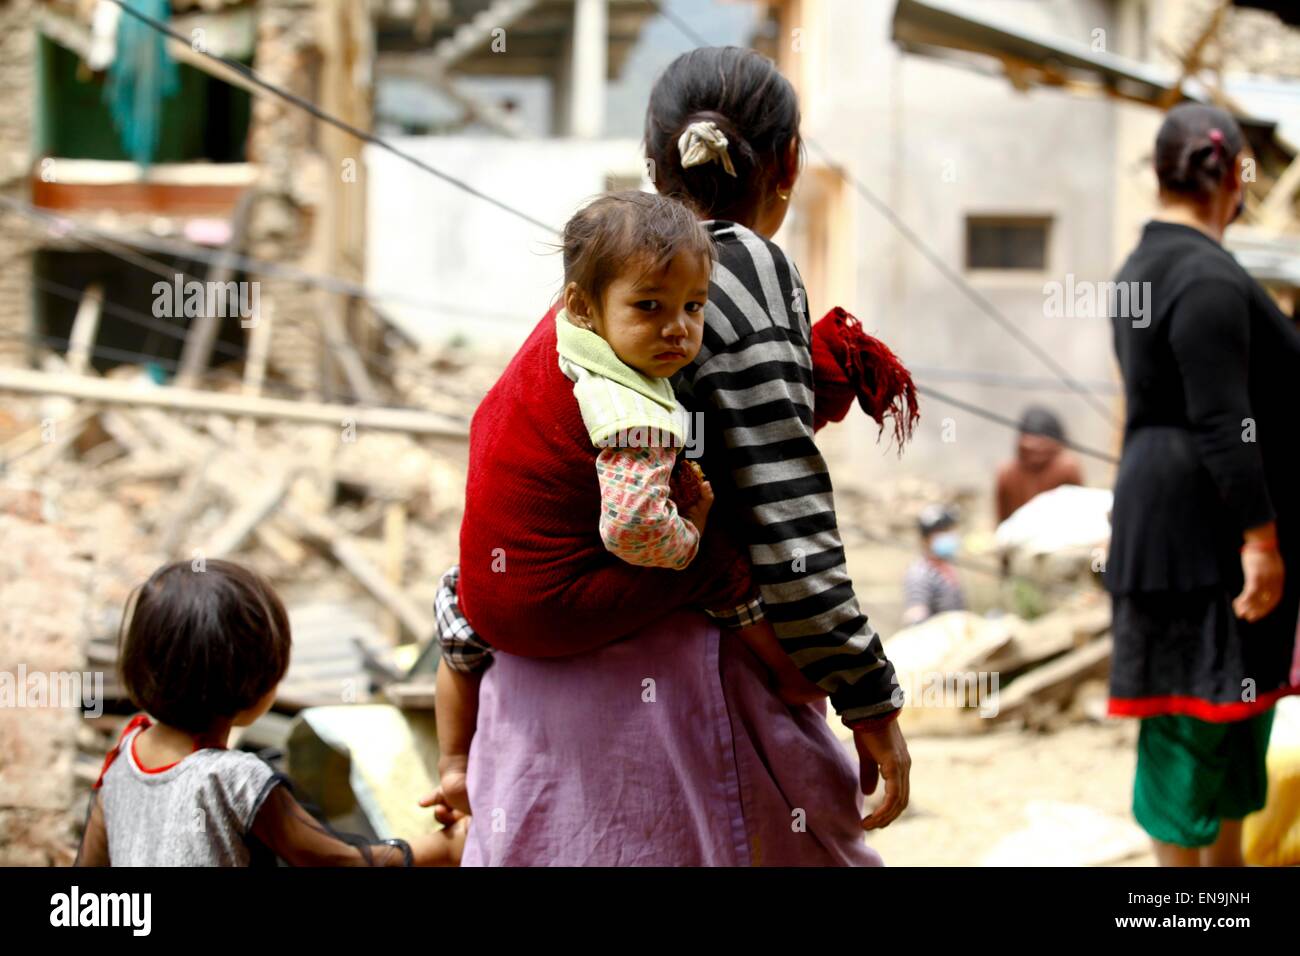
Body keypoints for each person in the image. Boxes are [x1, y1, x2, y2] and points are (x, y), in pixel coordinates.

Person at [428, 46, 912, 866]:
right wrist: (868, 697)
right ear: (787, 163)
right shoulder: (744, 263)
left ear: (654, 164)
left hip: (531, 714)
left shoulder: (606, 296)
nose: (681, 322)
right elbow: (786, 519)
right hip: (683, 707)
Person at [1106, 102, 1300, 867]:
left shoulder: (1144, 269)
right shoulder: (1205, 276)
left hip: (1172, 523)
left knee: (1224, 720)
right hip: (1209, 538)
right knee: (1193, 722)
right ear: (1229, 179)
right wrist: (1260, 539)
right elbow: (1224, 421)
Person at [76, 560, 463, 867]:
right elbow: (334, 862)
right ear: (259, 682)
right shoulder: (234, 780)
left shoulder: (122, 761)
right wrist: (439, 849)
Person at [994, 405, 1084, 523]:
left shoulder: (1006, 472)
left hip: (1020, 537)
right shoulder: (1068, 466)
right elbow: (1080, 516)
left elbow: (1002, 524)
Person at [901, 505, 966, 626]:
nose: (947, 535)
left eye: (948, 530)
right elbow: (916, 614)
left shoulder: (948, 568)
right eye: (940, 532)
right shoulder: (919, 573)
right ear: (925, 539)